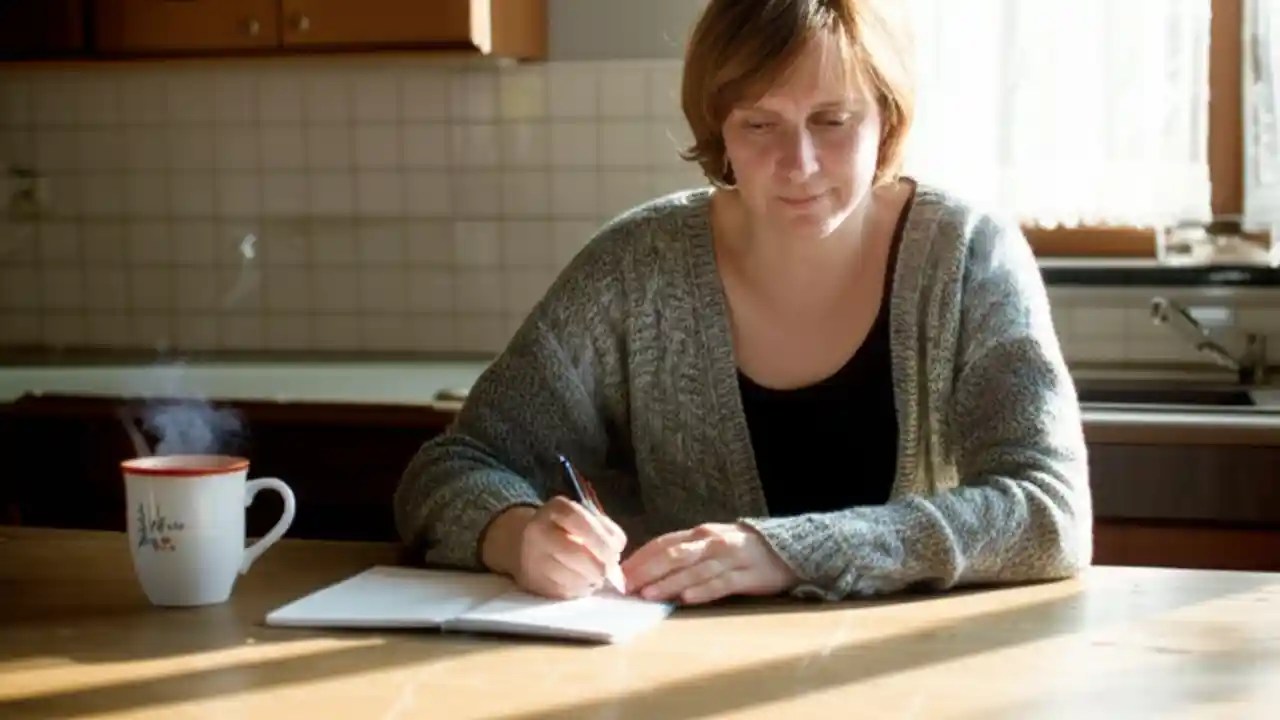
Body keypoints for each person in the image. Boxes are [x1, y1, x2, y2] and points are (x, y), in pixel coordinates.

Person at [394, 0, 1092, 605]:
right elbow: (451, 469)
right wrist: (514, 536)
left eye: (833, 120)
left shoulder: (970, 258)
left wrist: (787, 551)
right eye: (760, 124)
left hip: (909, 686)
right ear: (719, 126)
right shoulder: (633, 270)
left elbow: (1048, 513)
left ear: (886, 116)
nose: (801, 165)